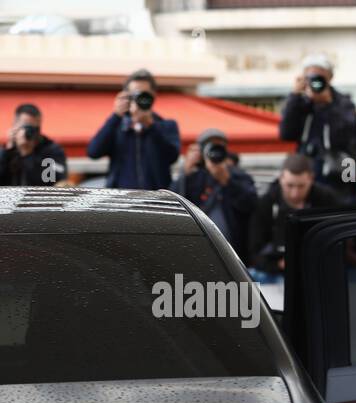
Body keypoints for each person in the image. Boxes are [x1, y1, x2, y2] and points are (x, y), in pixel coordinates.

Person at [279, 54, 356, 198]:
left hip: (342, 171)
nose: (316, 82)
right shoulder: (301, 103)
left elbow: (345, 137)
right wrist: (295, 97)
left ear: (330, 78)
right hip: (310, 171)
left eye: (320, 78)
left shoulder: (344, 104)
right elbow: (286, 134)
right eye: (311, 77)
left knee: (344, 206)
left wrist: (328, 105)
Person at [247, 154, 340, 281]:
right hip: (273, 269)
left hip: (316, 268)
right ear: (281, 179)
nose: (295, 193)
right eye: (289, 185)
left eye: (301, 186)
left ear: (311, 179)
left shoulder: (327, 199)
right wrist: (278, 264)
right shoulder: (266, 202)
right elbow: (255, 249)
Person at [170, 128, 257, 261]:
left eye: (219, 146)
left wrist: (227, 181)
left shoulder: (238, 176)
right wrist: (185, 172)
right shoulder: (193, 177)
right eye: (210, 146)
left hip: (233, 253)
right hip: (197, 249)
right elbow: (173, 203)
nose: (215, 151)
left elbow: (250, 204)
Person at [86, 69, 180, 190]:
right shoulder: (118, 126)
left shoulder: (167, 126)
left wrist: (151, 126)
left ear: (153, 95)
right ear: (128, 96)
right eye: (135, 94)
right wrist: (116, 116)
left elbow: (172, 156)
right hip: (121, 200)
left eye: (144, 93)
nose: (140, 98)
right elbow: (93, 152)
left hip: (157, 201)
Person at [0, 104, 67, 186]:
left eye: (35, 129)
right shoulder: (6, 150)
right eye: (26, 127)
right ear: (14, 126)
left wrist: (28, 154)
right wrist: (7, 151)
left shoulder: (52, 150)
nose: (31, 132)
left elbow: (52, 182)